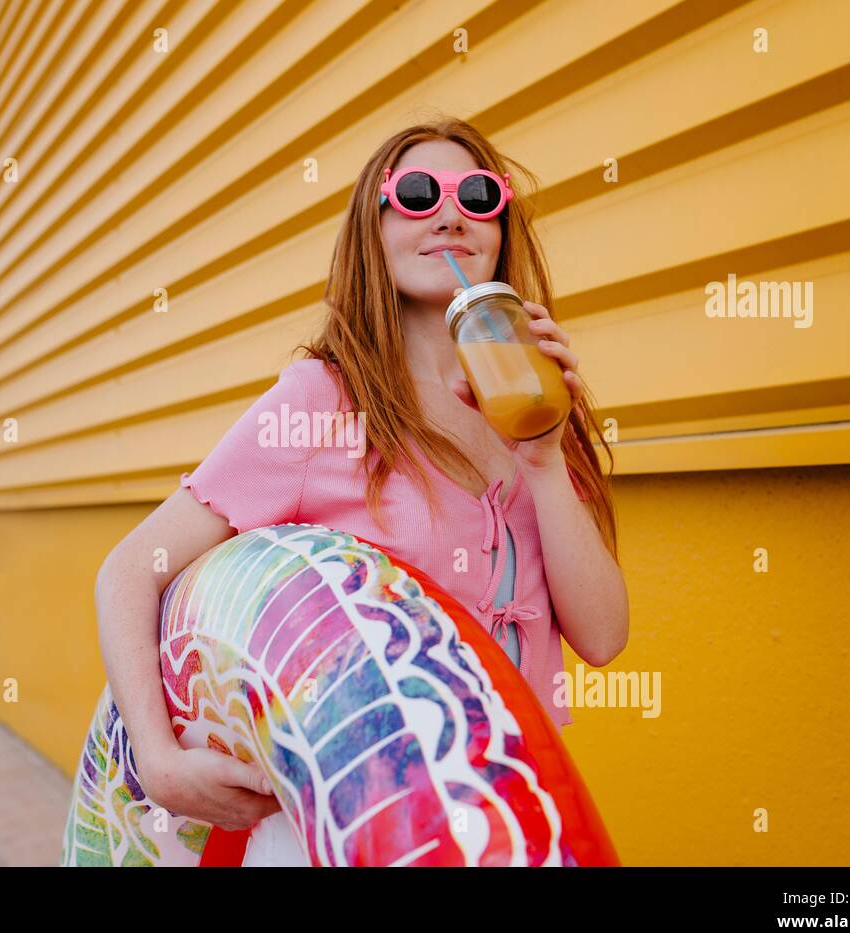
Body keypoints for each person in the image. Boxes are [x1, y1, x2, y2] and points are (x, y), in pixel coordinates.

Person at [94, 116, 628, 836]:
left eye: (477, 195)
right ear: (372, 229)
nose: (449, 214)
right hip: (368, 818)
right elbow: (130, 568)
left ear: (501, 227)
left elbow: (602, 638)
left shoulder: (533, 397)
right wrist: (158, 761)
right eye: (415, 194)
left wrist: (542, 459)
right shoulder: (320, 400)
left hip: (512, 806)